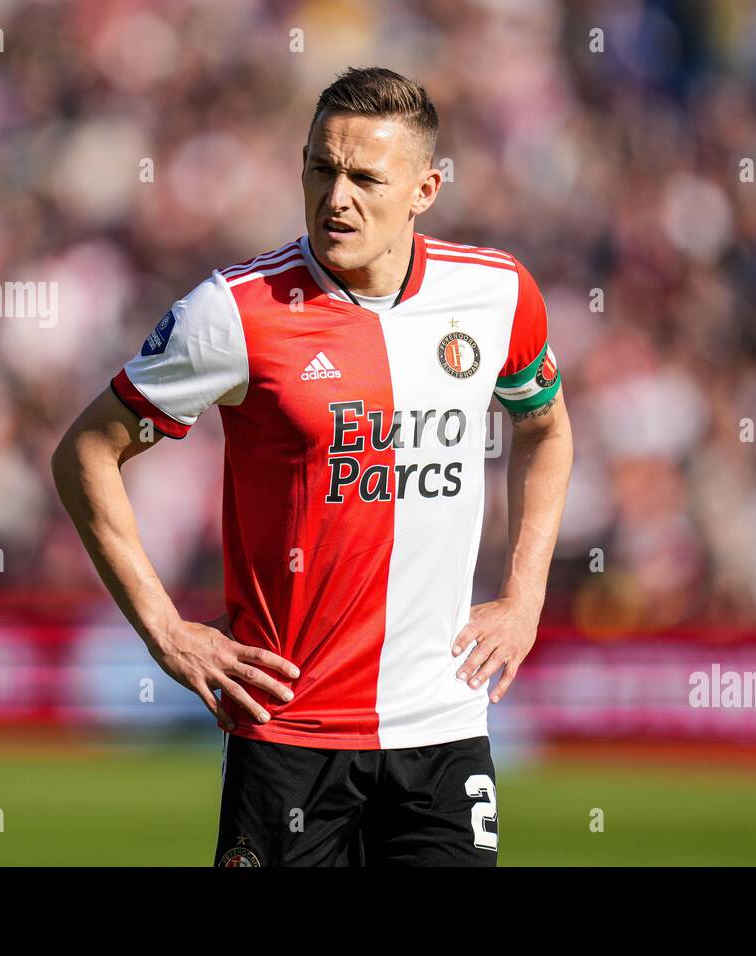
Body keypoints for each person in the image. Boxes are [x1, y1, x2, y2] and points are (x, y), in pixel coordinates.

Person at [52, 66, 572, 866]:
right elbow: (86, 451)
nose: (338, 198)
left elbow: (544, 429)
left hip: (444, 730)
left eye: (366, 177)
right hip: (289, 732)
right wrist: (166, 632)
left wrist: (524, 594)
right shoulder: (234, 313)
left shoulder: (496, 294)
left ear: (425, 189)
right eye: (321, 169)